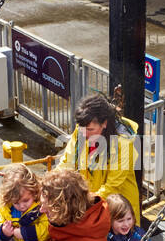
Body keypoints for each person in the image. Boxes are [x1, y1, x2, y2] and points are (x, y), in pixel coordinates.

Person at [58, 93, 140, 223]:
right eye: (82, 128)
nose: (85, 134)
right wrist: (55, 182)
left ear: (104, 124)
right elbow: (67, 161)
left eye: (90, 129)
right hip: (91, 201)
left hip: (118, 208)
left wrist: (84, 201)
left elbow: (113, 186)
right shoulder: (82, 129)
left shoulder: (123, 144)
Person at [0, 163, 49, 241]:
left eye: (25, 200)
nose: (22, 206)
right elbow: (1, 222)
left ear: (34, 191)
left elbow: (47, 228)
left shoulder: (41, 207)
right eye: (16, 203)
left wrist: (25, 233)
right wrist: (3, 231)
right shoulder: (9, 210)